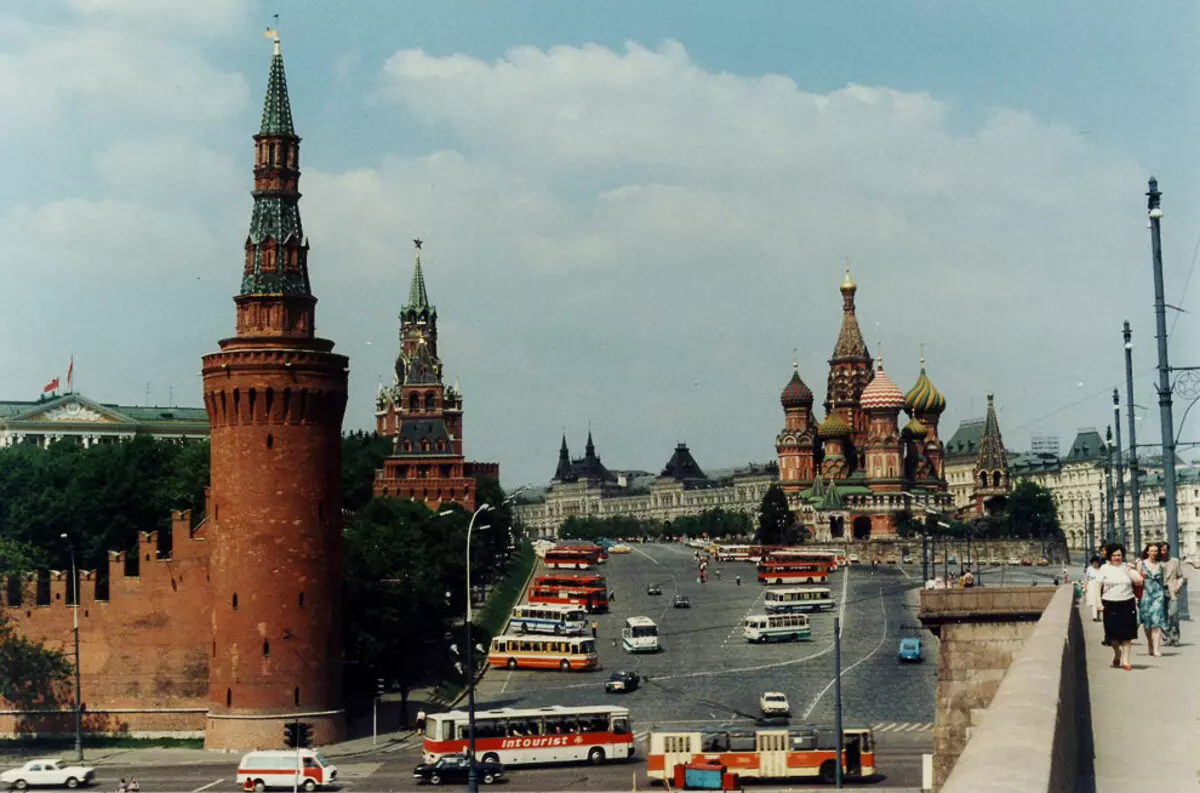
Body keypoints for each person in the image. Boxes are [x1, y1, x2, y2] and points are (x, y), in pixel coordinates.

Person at [1097, 544, 1143, 670]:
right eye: (1114, 555)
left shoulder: (1126, 568)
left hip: (1127, 602)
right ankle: (1117, 652)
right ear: (1110, 556)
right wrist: (1098, 603)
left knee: (1128, 633)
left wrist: (1129, 571)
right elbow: (1097, 586)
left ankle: (1126, 660)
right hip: (1110, 602)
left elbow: (1139, 581)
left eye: (1119, 555)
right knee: (1112, 634)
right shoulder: (1104, 569)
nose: (1117, 558)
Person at [1136, 543, 1168, 657]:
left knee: (1157, 621)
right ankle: (1150, 642)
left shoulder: (1161, 565)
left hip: (1157, 595)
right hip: (1145, 594)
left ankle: (1156, 649)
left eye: (1156, 551)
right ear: (1147, 552)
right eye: (1152, 550)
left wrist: (1164, 594)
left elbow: (1162, 581)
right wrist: (1137, 596)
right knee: (1147, 623)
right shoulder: (1141, 563)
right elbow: (1137, 580)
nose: (1154, 553)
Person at [1159, 541, 1183, 646]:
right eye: (1161, 550)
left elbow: (1180, 576)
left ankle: (1175, 637)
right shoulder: (1157, 562)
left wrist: (1178, 585)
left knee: (1173, 614)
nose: (1163, 552)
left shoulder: (1175, 561)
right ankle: (1167, 637)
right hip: (1159, 591)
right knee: (1162, 616)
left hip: (1172, 590)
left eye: (1165, 549)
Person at [1084, 556, 1103, 621]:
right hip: (1091, 585)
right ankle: (1094, 616)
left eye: (1096, 562)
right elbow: (1086, 579)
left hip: (1099, 585)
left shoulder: (1100, 570)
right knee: (1093, 601)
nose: (1095, 564)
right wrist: (1085, 587)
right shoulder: (1089, 569)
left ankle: (1098, 616)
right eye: (1094, 562)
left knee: (1099, 601)